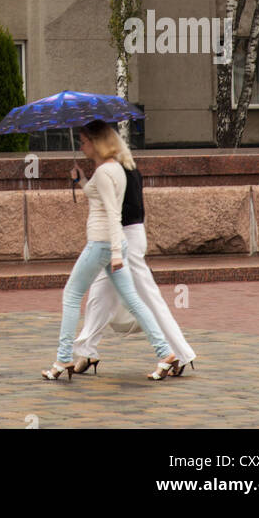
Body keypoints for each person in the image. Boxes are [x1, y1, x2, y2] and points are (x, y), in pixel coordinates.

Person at [42, 120, 180, 381]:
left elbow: (114, 214)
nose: (80, 146)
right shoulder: (113, 168)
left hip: (101, 243)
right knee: (133, 301)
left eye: (83, 142)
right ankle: (165, 354)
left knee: (71, 295)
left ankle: (62, 359)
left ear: (96, 143)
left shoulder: (105, 173)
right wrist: (81, 180)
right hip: (110, 244)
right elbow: (99, 198)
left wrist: (116, 253)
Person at [72, 156, 196, 375]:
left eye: (89, 142)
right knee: (98, 296)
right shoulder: (117, 168)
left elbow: (125, 208)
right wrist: (82, 181)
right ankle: (87, 350)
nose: (86, 148)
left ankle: (179, 352)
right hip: (121, 237)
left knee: (148, 298)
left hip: (125, 237)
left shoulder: (121, 169)